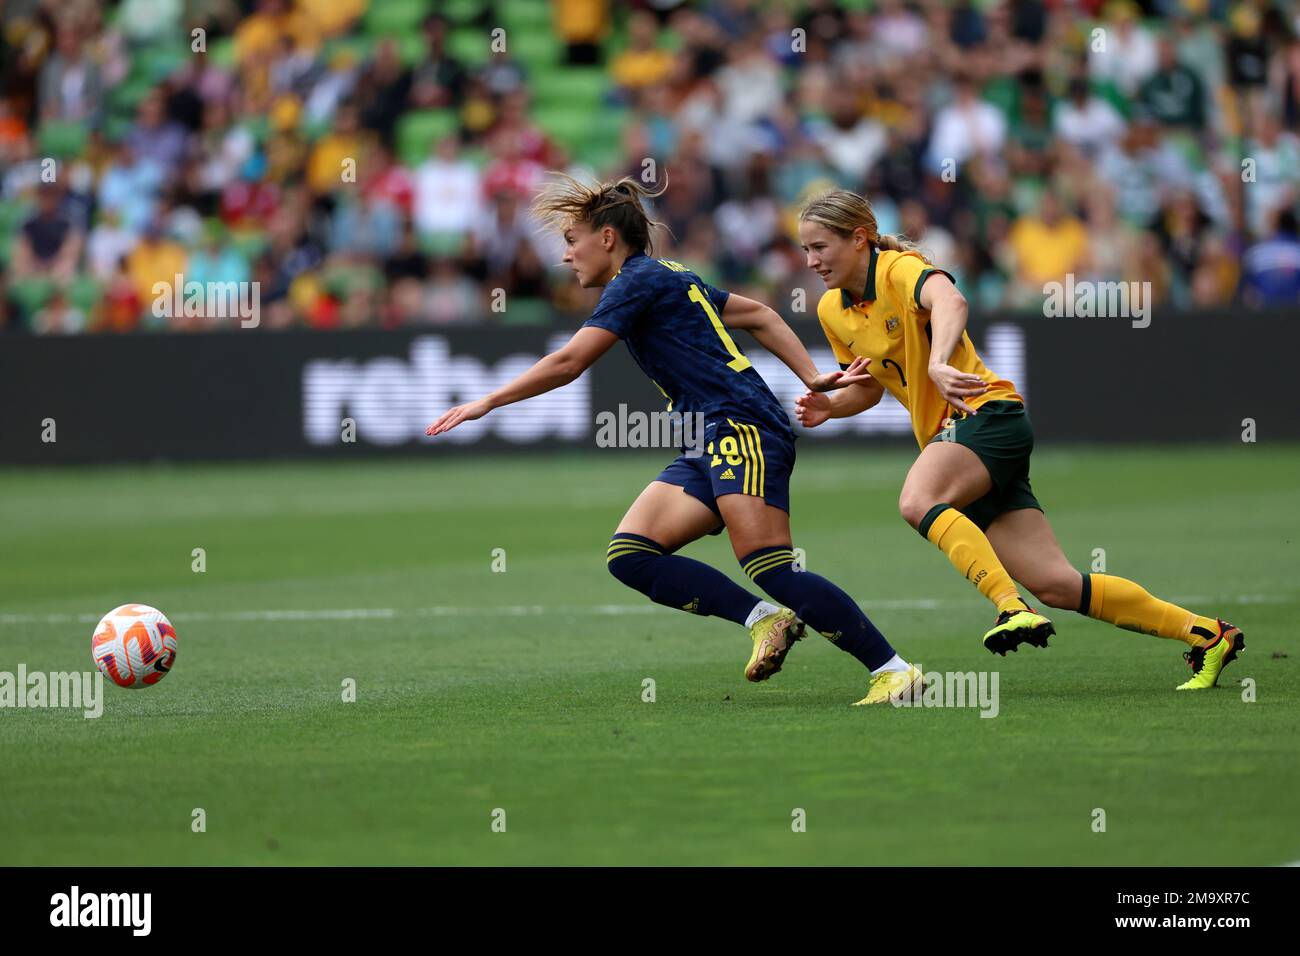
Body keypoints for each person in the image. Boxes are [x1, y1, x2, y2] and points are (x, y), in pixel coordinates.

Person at [428, 175, 922, 705]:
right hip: (713, 434)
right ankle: (764, 619)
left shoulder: (636, 282)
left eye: (572, 241)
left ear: (608, 239)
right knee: (631, 554)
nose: (566, 256)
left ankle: (894, 670)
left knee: (770, 565)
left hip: (742, 426)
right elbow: (758, 313)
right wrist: (810, 376)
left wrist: (488, 401)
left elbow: (570, 362)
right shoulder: (667, 276)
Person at [793, 189, 1242, 690]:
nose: (811, 261)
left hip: (986, 416)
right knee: (1059, 584)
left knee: (918, 500)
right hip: (957, 437)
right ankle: (1207, 634)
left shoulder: (897, 269)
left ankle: (1010, 607)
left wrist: (940, 360)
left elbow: (950, 299)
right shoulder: (833, 310)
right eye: (806, 250)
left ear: (859, 239)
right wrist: (829, 407)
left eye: (820, 247)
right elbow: (872, 386)